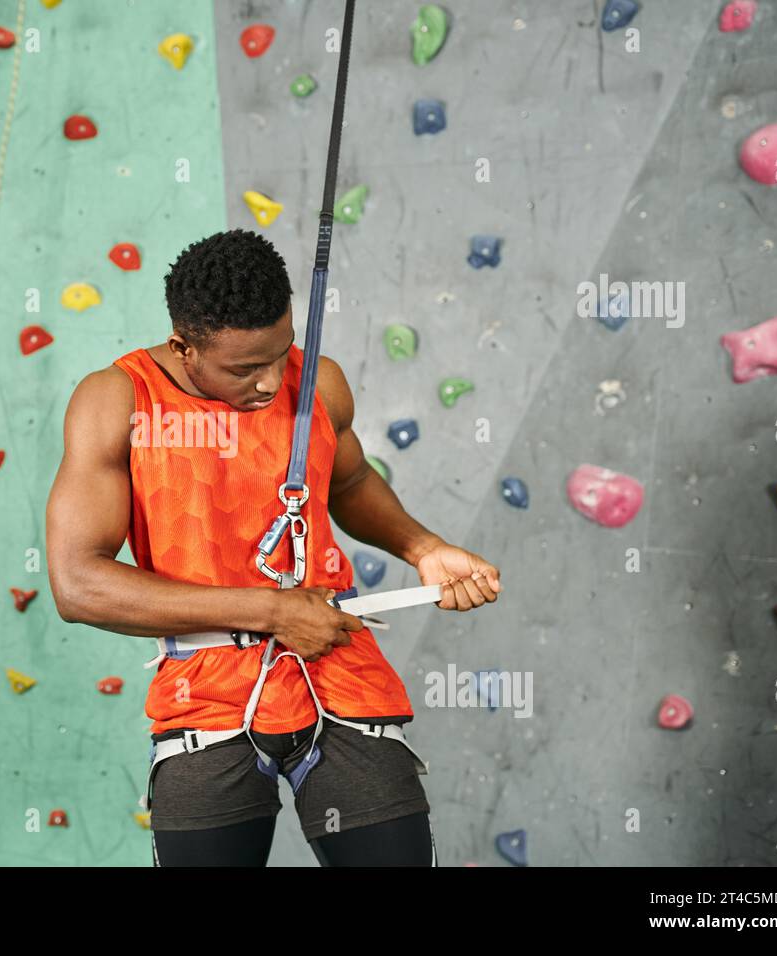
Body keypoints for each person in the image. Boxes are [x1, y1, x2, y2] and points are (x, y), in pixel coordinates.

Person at [45, 228, 501, 866]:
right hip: (204, 690)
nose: (268, 382)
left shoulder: (319, 380)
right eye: (243, 368)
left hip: (334, 671)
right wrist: (271, 610)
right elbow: (78, 584)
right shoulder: (118, 400)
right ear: (184, 345)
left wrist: (423, 547)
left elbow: (350, 481)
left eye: (279, 354)